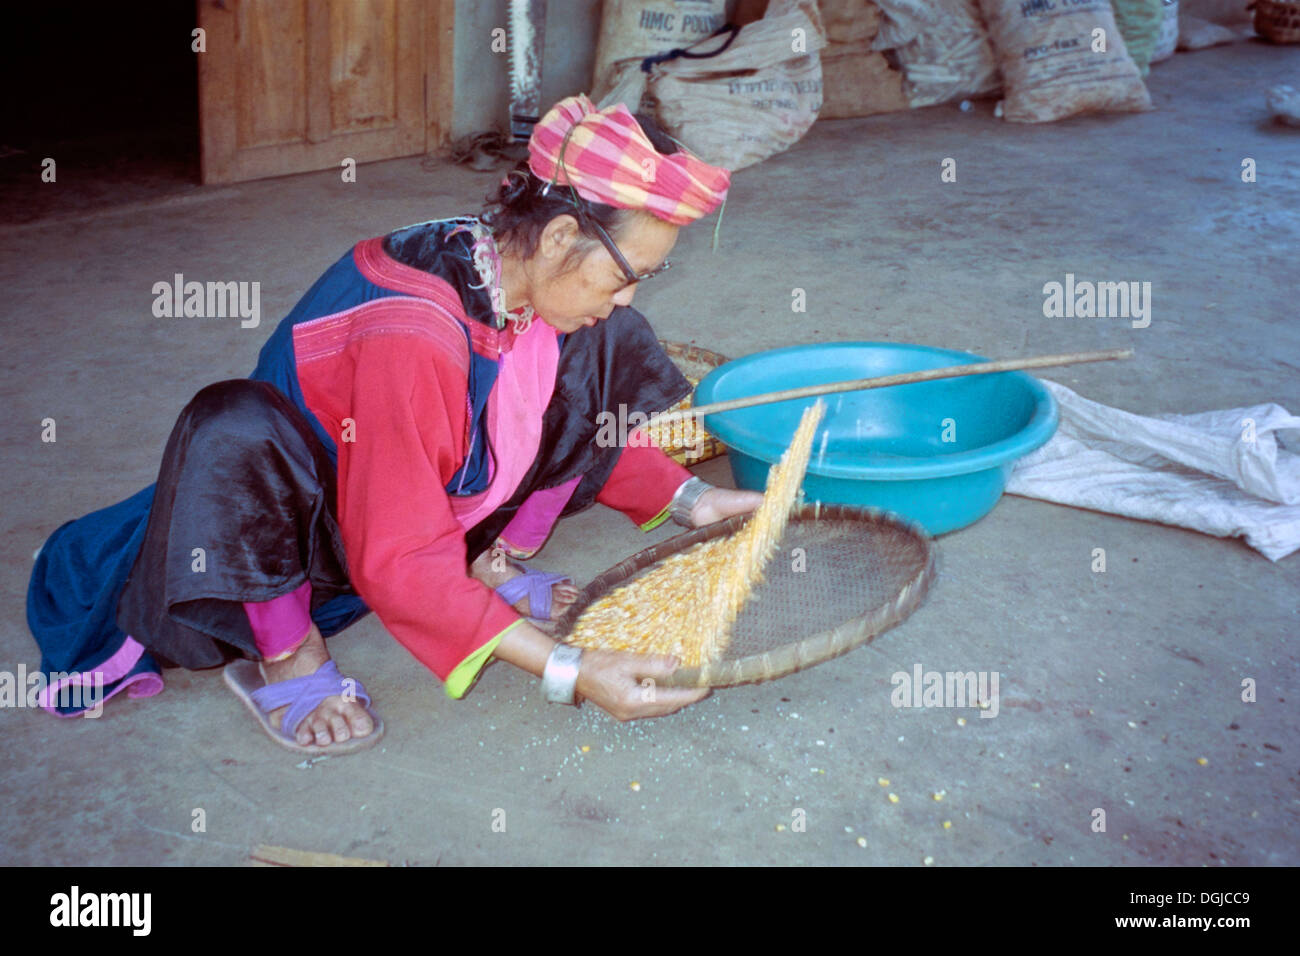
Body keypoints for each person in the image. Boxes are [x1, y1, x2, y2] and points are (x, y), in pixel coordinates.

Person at [26, 94, 763, 753]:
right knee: (234, 425)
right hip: (316, 527)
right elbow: (399, 551)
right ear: (559, 235)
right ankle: (285, 649)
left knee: (606, 338)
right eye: (626, 272)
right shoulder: (412, 335)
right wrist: (568, 667)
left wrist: (696, 502)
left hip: (422, 488)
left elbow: (557, 403)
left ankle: (483, 560)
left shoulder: (504, 266)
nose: (629, 294)